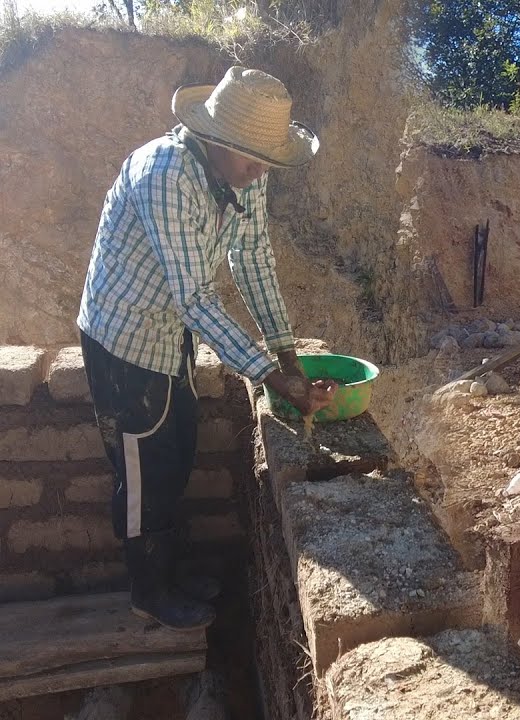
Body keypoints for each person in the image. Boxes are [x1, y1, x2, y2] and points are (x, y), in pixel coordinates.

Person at [78, 66, 336, 631]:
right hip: (124, 340)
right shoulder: (165, 175)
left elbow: (254, 262)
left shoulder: (245, 170)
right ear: (216, 141)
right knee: (145, 470)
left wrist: (287, 354)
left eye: (267, 158)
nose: (261, 169)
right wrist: (272, 377)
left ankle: (171, 574)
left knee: (175, 454)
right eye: (252, 159)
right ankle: (149, 591)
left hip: (169, 337)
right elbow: (194, 295)